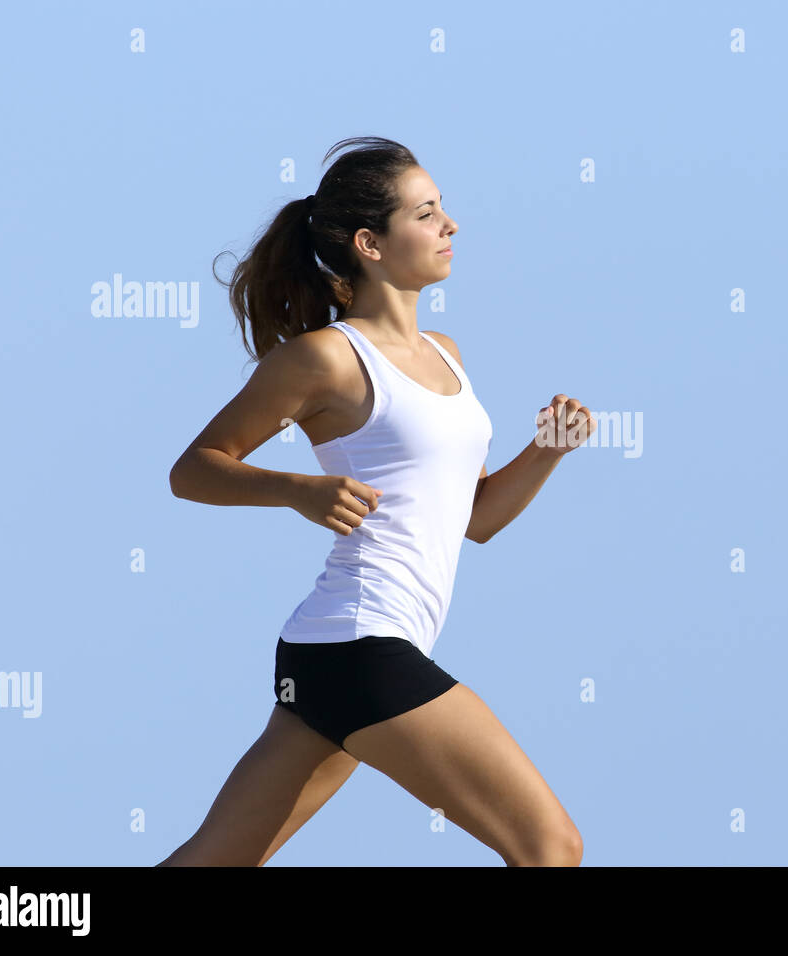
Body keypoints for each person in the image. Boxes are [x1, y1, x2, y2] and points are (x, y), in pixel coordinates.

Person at [156, 136, 595, 867]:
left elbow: (476, 519)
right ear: (371, 243)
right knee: (551, 847)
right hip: (363, 645)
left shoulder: (449, 353)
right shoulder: (327, 356)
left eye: (443, 209)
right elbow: (194, 469)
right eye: (427, 213)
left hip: (335, 655)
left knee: (213, 861)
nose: (450, 225)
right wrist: (298, 491)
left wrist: (546, 450)